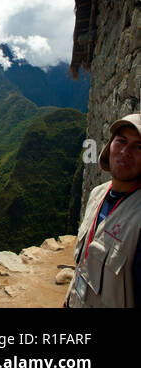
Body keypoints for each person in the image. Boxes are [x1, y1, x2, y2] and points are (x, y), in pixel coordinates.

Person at [68, 114, 141, 308]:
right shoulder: (97, 194)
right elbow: (83, 263)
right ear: (110, 147)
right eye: (121, 141)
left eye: (138, 147)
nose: (126, 152)